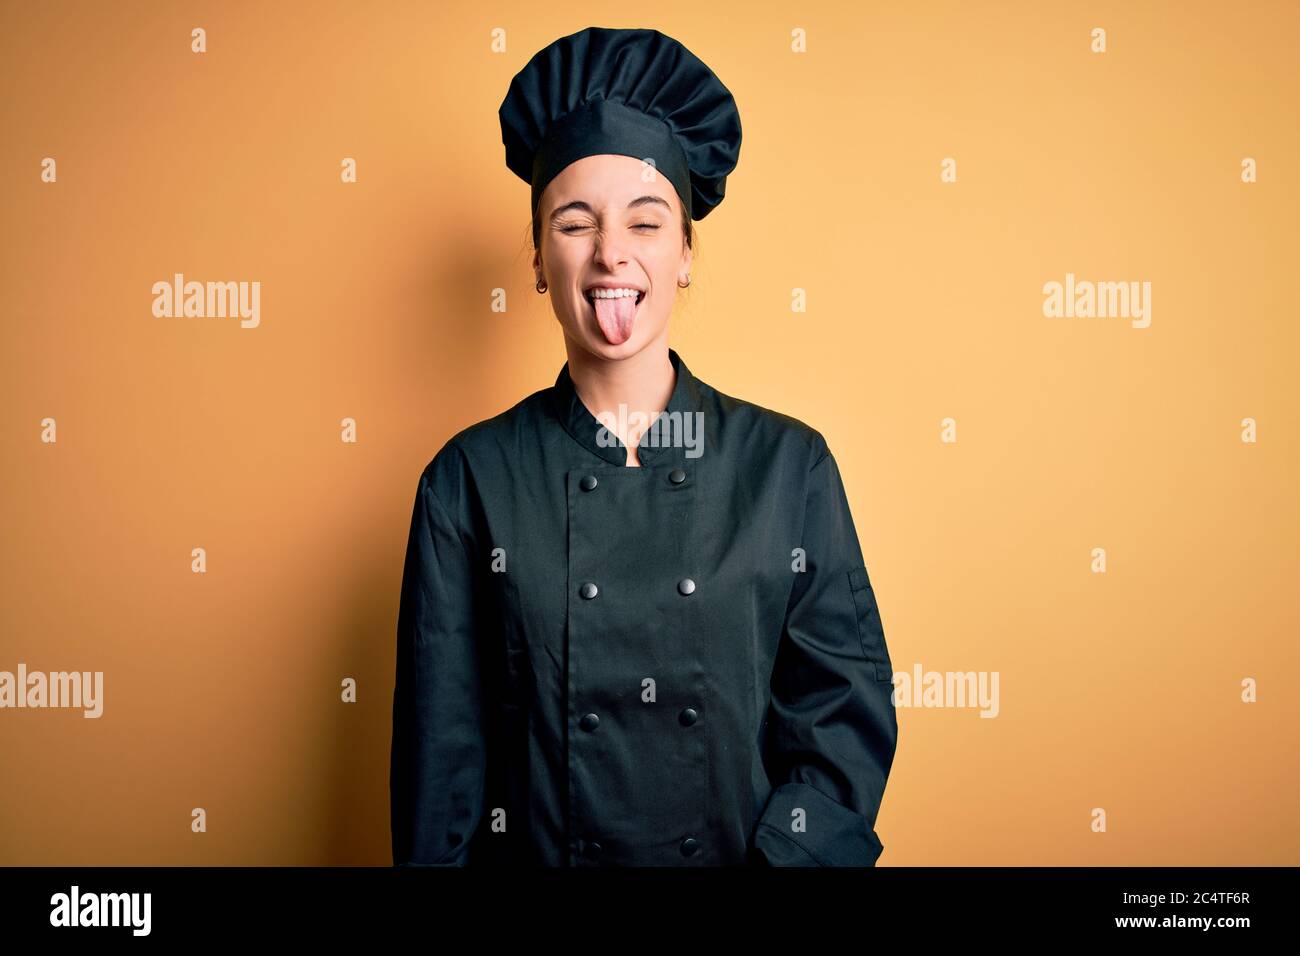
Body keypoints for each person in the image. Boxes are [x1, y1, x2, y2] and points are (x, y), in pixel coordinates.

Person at [390, 26, 898, 867]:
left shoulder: (788, 469)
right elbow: (441, 767)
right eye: (574, 221)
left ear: (687, 253)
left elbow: (842, 724)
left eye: (647, 221)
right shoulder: (467, 482)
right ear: (538, 261)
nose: (611, 253)